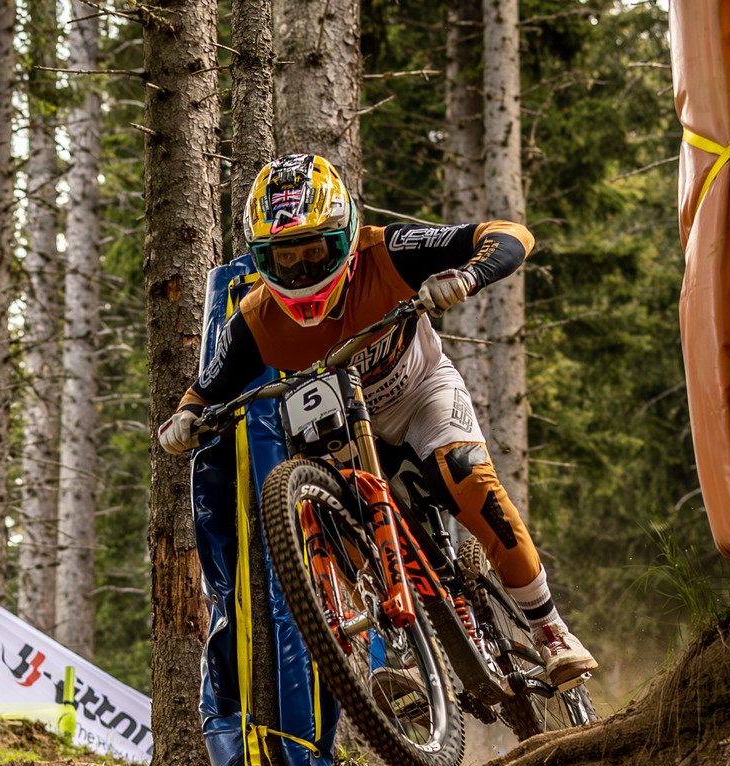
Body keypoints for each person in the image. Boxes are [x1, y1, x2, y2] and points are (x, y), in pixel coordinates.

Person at [158, 153, 597, 687]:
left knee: (463, 473)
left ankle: (550, 628)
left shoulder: (387, 251)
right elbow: (205, 390)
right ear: (259, 259)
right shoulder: (255, 319)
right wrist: (185, 420)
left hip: (420, 391)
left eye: (316, 252)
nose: (302, 272)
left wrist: (467, 275)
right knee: (340, 518)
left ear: (344, 236)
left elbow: (509, 234)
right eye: (285, 259)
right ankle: (405, 645)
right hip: (340, 424)